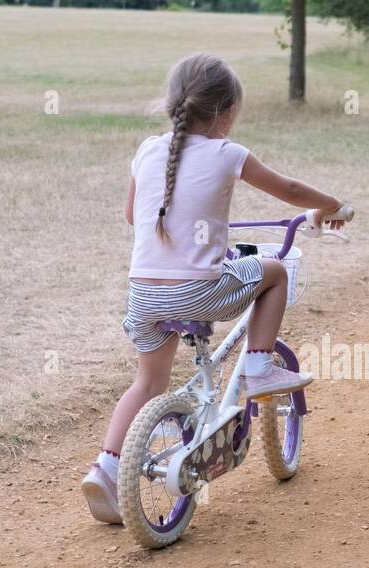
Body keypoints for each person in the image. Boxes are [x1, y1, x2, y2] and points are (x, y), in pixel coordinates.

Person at [82, 53, 347, 525]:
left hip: (144, 295)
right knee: (275, 273)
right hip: (198, 292)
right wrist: (333, 206)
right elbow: (287, 189)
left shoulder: (147, 150)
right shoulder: (228, 154)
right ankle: (260, 368)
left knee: (148, 380)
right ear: (227, 112)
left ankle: (106, 467)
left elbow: (132, 217)